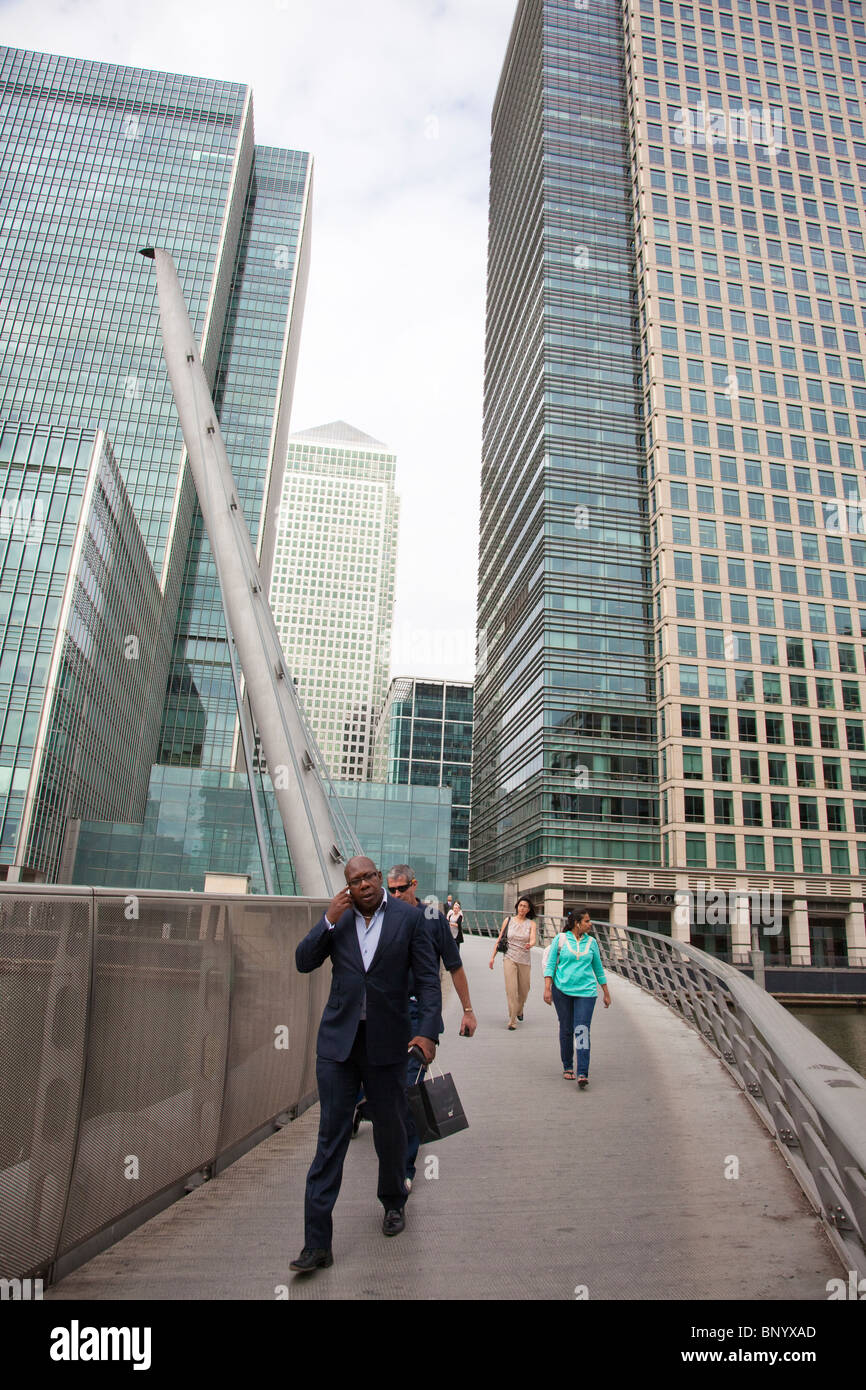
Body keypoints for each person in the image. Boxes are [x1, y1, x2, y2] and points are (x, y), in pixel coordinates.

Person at [290, 856, 441, 1273]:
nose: (366, 885)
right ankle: (317, 1243)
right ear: (348, 888)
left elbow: (428, 979)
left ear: (380, 878)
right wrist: (326, 921)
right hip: (339, 1047)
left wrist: (428, 1031)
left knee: (390, 1131)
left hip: (388, 1045)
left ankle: (393, 1201)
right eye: (355, 881)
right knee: (330, 1139)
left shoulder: (409, 921)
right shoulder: (337, 922)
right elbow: (303, 961)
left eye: (371, 877)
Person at [386, 866, 476, 1189]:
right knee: (388, 1087)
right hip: (387, 1017)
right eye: (391, 890)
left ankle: (404, 1171)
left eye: (401, 889)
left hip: (420, 1017)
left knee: (408, 1089)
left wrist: (467, 1010)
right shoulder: (383, 917)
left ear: (414, 885)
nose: (396, 895)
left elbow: (455, 966)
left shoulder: (433, 919)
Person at [542, 907, 611, 1087]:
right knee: (566, 1028)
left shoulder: (592, 943)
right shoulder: (561, 939)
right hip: (562, 990)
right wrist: (547, 988)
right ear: (576, 923)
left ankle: (582, 1072)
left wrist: (606, 992)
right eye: (587, 921)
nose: (590, 924)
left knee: (582, 1029)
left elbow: (598, 968)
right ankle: (567, 1066)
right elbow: (550, 966)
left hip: (586, 992)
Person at [489, 895, 537, 1028]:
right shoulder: (508, 920)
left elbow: (533, 939)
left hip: (524, 960)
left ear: (528, 910)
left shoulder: (531, 924)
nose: (522, 908)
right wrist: (493, 957)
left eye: (525, 906)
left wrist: (530, 944)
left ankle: (519, 1009)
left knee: (524, 990)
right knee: (511, 990)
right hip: (509, 957)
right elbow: (500, 939)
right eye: (520, 905)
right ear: (517, 907)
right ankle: (512, 1020)